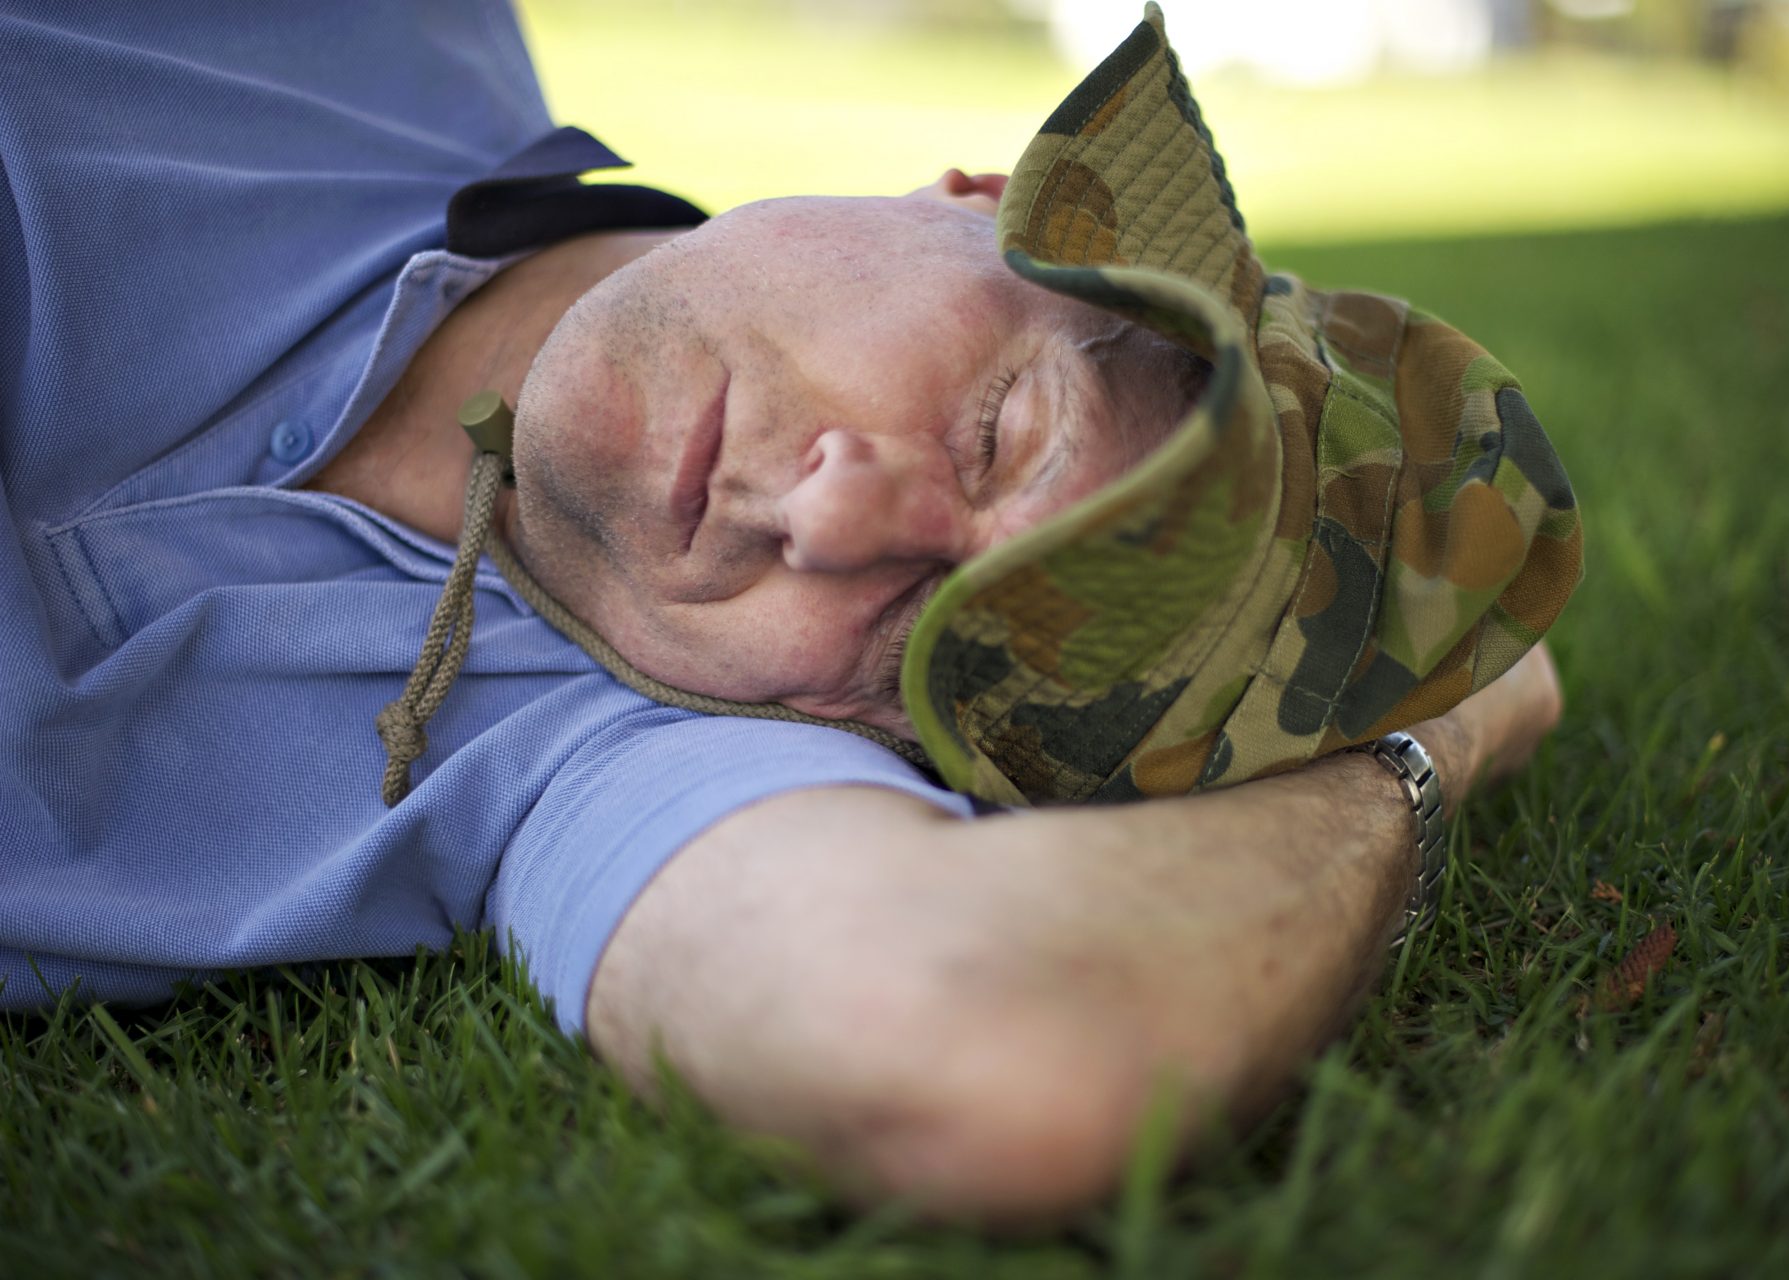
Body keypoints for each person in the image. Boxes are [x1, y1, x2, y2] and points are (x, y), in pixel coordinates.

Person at [0, 1, 1572, 1223]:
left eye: (923, 647)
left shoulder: (607, 749)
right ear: (972, 197)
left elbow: (992, 1055)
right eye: (996, 432)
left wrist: (1421, 740)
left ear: (864, 740)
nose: (829, 518)